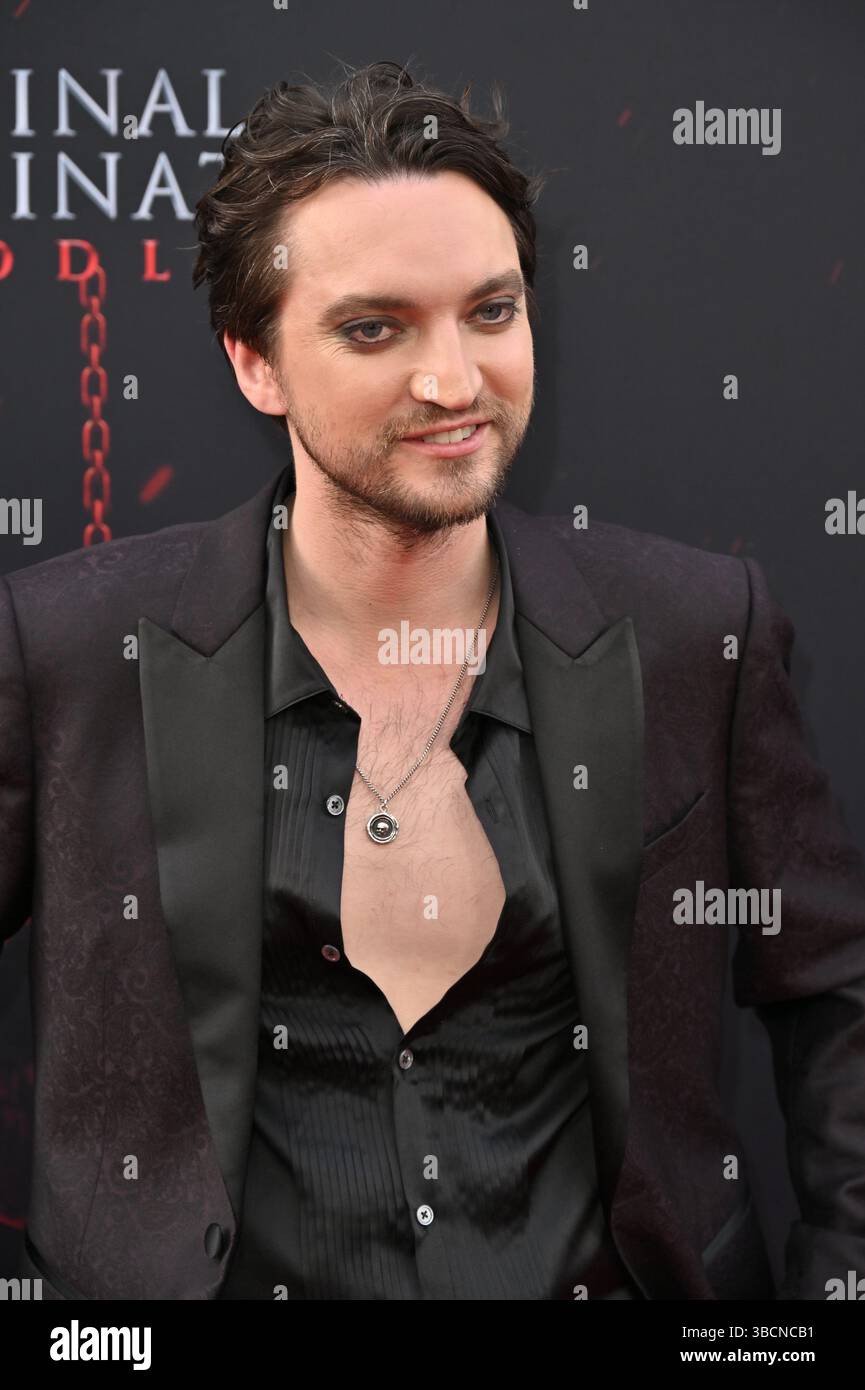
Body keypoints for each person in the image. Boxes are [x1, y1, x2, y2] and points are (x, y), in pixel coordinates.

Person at [2, 59, 864, 1302]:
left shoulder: (694, 634)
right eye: (374, 328)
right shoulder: (70, 649)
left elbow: (833, 991)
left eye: (492, 311)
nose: (455, 383)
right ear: (255, 362)